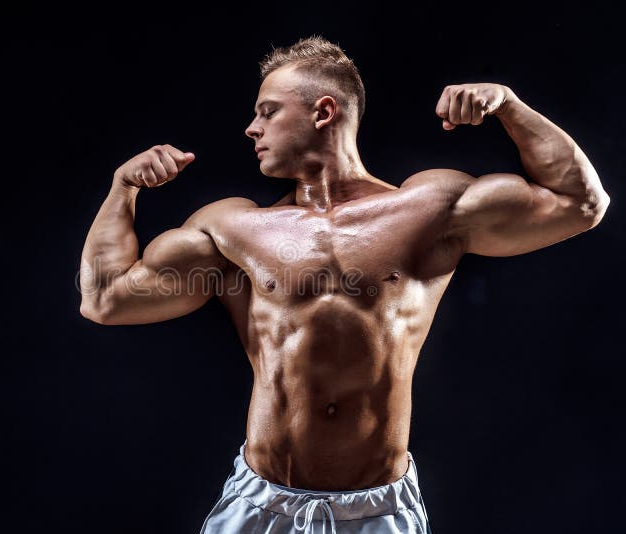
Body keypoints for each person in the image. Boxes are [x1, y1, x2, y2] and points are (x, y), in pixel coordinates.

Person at [77, 36, 609, 534]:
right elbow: (105, 299)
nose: (250, 129)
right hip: (262, 503)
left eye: (268, 111)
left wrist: (509, 107)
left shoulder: (427, 210)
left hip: (379, 508)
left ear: (323, 111)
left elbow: (582, 203)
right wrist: (122, 189)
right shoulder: (234, 230)